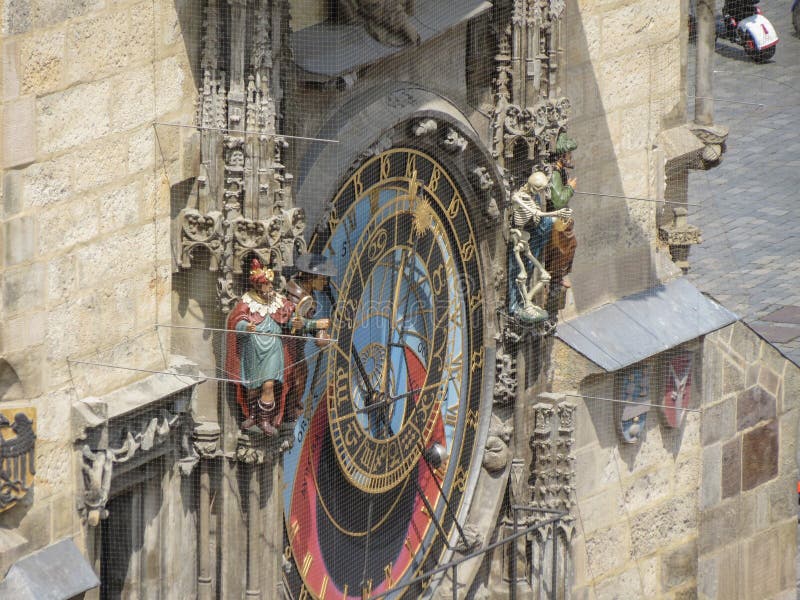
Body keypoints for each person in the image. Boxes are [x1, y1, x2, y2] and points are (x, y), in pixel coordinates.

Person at [225, 259, 294, 436]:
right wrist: (245, 327)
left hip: (273, 349)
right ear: (258, 286)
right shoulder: (247, 302)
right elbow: (236, 321)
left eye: (270, 284)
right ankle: (253, 415)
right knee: (253, 387)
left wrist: (300, 323)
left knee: (268, 385)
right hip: (253, 349)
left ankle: (265, 420)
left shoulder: (278, 301)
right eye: (267, 284)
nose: (271, 287)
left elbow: (289, 319)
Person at [509, 171, 572, 322]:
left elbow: (537, 215)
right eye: (541, 189)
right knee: (520, 273)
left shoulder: (535, 196)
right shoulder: (518, 197)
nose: (542, 192)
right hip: (519, 238)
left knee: (541, 274)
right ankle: (516, 306)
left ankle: (527, 301)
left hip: (530, 237)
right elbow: (535, 212)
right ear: (534, 187)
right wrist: (557, 213)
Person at [282, 254, 336, 421]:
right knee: (294, 380)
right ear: (312, 277)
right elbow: (293, 322)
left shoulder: (308, 293)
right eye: (323, 278)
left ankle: (290, 414)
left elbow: (305, 321)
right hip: (286, 346)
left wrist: (319, 332)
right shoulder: (294, 294)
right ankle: (286, 415)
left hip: (297, 345)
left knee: (300, 380)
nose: (325, 283)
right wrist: (316, 325)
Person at [545, 132, 578, 289]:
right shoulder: (555, 173)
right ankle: (555, 278)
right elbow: (558, 200)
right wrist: (570, 188)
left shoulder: (560, 171)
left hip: (561, 219)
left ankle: (557, 276)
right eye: (569, 154)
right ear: (562, 156)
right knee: (564, 247)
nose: (571, 157)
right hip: (554, 219)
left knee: (570, 246)